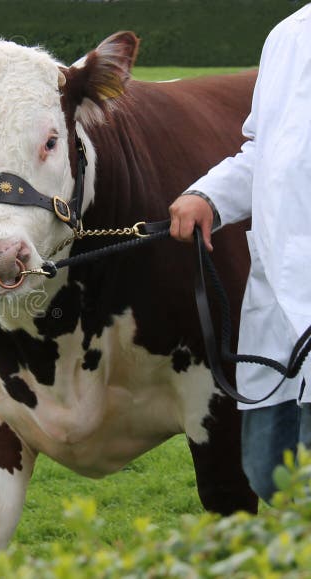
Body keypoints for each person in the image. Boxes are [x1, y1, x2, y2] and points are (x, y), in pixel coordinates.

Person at [169, 3, 311, 502]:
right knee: (267, 473)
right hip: (277, 319)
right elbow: (264, 151)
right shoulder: (288, 36)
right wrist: (208, 195)